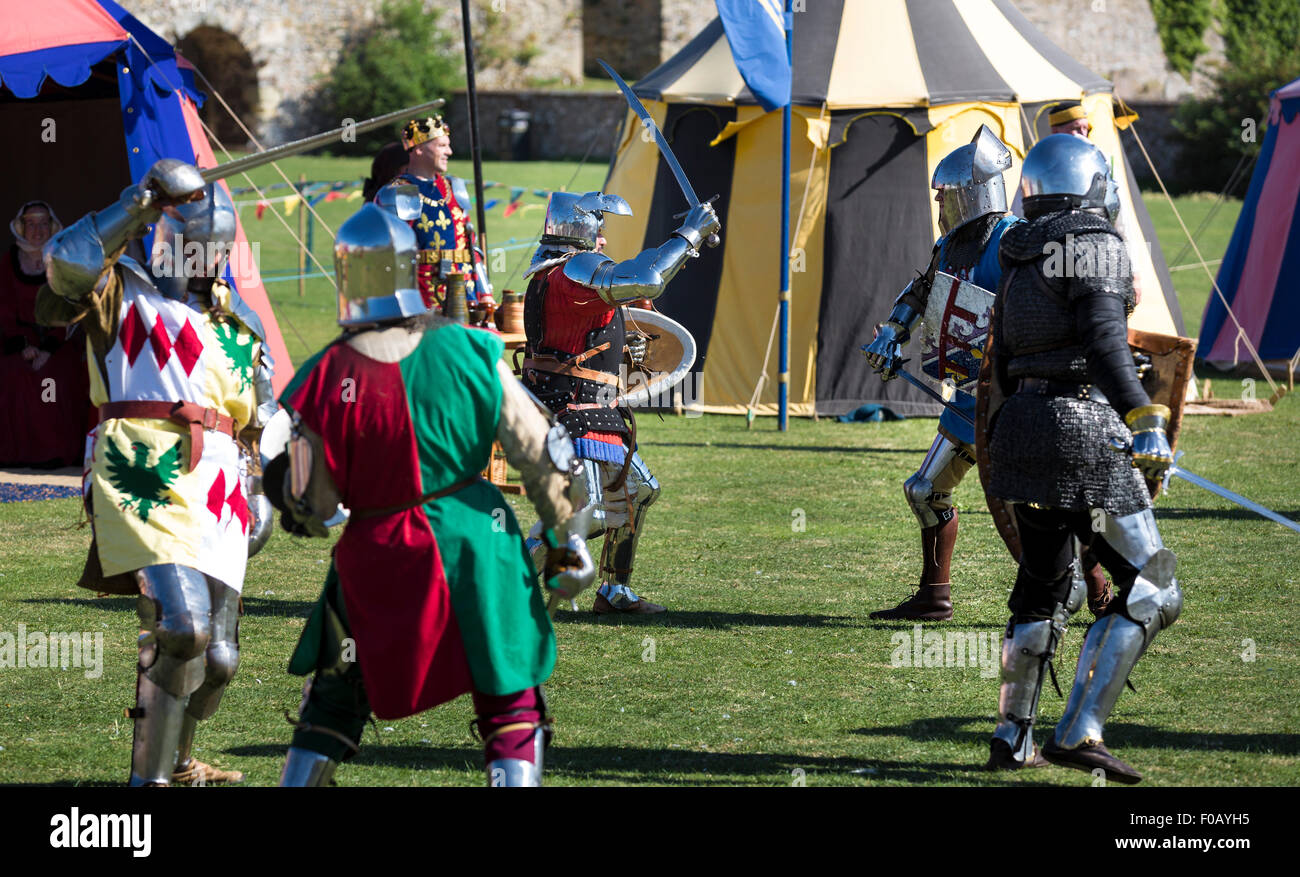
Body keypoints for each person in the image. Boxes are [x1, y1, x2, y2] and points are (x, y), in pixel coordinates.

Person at [273, 204, 595, 787]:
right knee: (510, 690)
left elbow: (314, 509)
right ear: (409, 271)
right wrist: (564, 536)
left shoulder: (325, 374)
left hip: (376, 553)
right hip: (480, 544)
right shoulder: (471, 350)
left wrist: (306, 501)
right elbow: (542, 451)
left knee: (334, 694)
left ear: (346, 277)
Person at [38, 160, 277, 785]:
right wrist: (134, 205)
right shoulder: (122, 293)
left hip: (221, 487)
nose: (203, 256)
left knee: (219, 657)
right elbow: (63, 266)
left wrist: (262, 488)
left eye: (213, 247)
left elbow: (263, 421)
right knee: (184, 626)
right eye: (193, 243)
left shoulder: (238, 326)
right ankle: (151, 783)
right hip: (143, 466)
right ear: (166, 239)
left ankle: (178, 758)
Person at [982, 134, 1180, 781]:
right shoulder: (1094, 243)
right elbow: (1103, 343)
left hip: (1020, 431)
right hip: (1082, 433)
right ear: (1094, 185)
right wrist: (1145, 418)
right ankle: (1079, 729)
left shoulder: (1016, 249)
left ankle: (1012, 735)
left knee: (1046, 587)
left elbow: (1004, 363)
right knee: (1155, 588)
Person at [519, 191, 720, 615]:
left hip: (591, 407)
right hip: (571, 410)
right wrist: (690, 234)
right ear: (579, 229)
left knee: (640, 491)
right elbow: (647, 278)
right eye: (599, 230)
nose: (604, 241)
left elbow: (619, 302)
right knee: (585, 513)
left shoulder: (556, 275)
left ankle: (615, 591)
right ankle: (500, 581)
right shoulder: (573, 269)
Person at [861, 126, 1021, 622]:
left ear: (975, 193)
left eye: (948, 195)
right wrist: (892, 332)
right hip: (966, 401)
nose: (942, 205)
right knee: (924, 491)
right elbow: (922, 290)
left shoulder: (1013, 240)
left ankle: (1091, 590)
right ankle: (935, 596)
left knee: (1024, 508)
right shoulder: (951, 244)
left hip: (1010, 400)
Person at [0, 201, 90, 467]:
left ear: (52, 227)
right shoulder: (9, 262)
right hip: (21, 343)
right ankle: (15, 452)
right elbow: (4, 309)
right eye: (31, 223)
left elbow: (69, 309)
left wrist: (48, 347)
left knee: (48, 382)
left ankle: (52, 450)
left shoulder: (62, 260)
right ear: (21, 227)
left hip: (57, 343)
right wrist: (22, 345)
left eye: (42, 223)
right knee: (12, 375)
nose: (37, 230)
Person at [390, 116, 493, 311]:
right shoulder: (399, 191)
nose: (449, 152)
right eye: (441, 146)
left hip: (465, 295)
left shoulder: (455, 188)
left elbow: (472, 248)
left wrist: (485, 292)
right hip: (423, 299)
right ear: (419, 149)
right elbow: (392, 257)